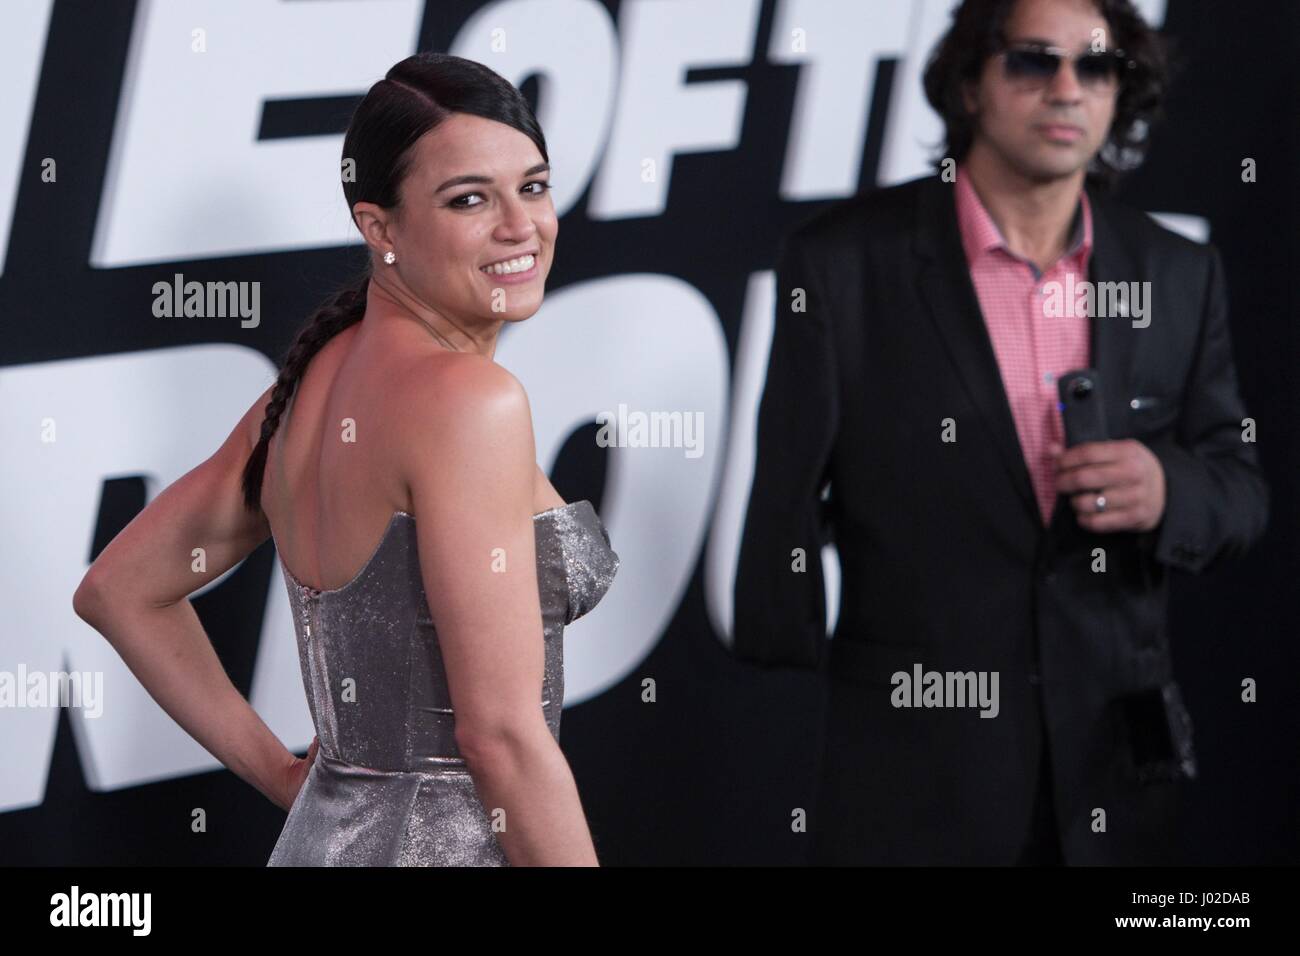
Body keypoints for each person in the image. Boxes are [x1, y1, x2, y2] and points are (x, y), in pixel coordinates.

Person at [733, 0, 1268, 865]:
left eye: (1097, 66)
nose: (1068, 89)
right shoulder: (842, 263)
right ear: (970, 84)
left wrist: (1166, 488)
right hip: (912, 779)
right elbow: (784, 500)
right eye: (1033, 60)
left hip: (1114, 780)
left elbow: (1240, 489)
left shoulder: (1178, 272)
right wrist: (784, 655)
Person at [73, 53, 619, 866]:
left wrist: (287, 776)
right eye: (469, 199)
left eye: (533, 187)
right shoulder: (470, 403)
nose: (520, 225)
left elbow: (119, 590)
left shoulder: (307, 389)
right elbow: (501, 738)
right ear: (380, 228)